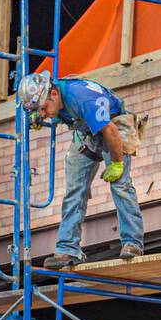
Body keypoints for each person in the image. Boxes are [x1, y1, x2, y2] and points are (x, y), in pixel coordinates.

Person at [18, 71, 144, 270]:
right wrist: (37, 116)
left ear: (54, 95)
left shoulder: (83, 98)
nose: (43, 114)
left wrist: (117, 163)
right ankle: (68, 249)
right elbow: (51, 112)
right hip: (86, 134)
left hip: (114, 130)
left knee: (121, 186)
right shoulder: (53, 97)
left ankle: (133, 243)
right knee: (74, 190)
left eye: (43, 109)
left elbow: (109, 130)